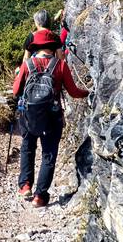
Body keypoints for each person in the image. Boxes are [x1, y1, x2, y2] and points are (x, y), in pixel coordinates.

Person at [12, 27, 89, 207]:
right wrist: (89, 93)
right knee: (49, 154)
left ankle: (25, 186)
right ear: (53, 46)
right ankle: (40, 196)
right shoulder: (60, 65)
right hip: (52, 117)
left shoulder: (27, 65)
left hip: (29, 115)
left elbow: (16, 91)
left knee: (27, 146)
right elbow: (74, 92)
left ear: (35, 47)